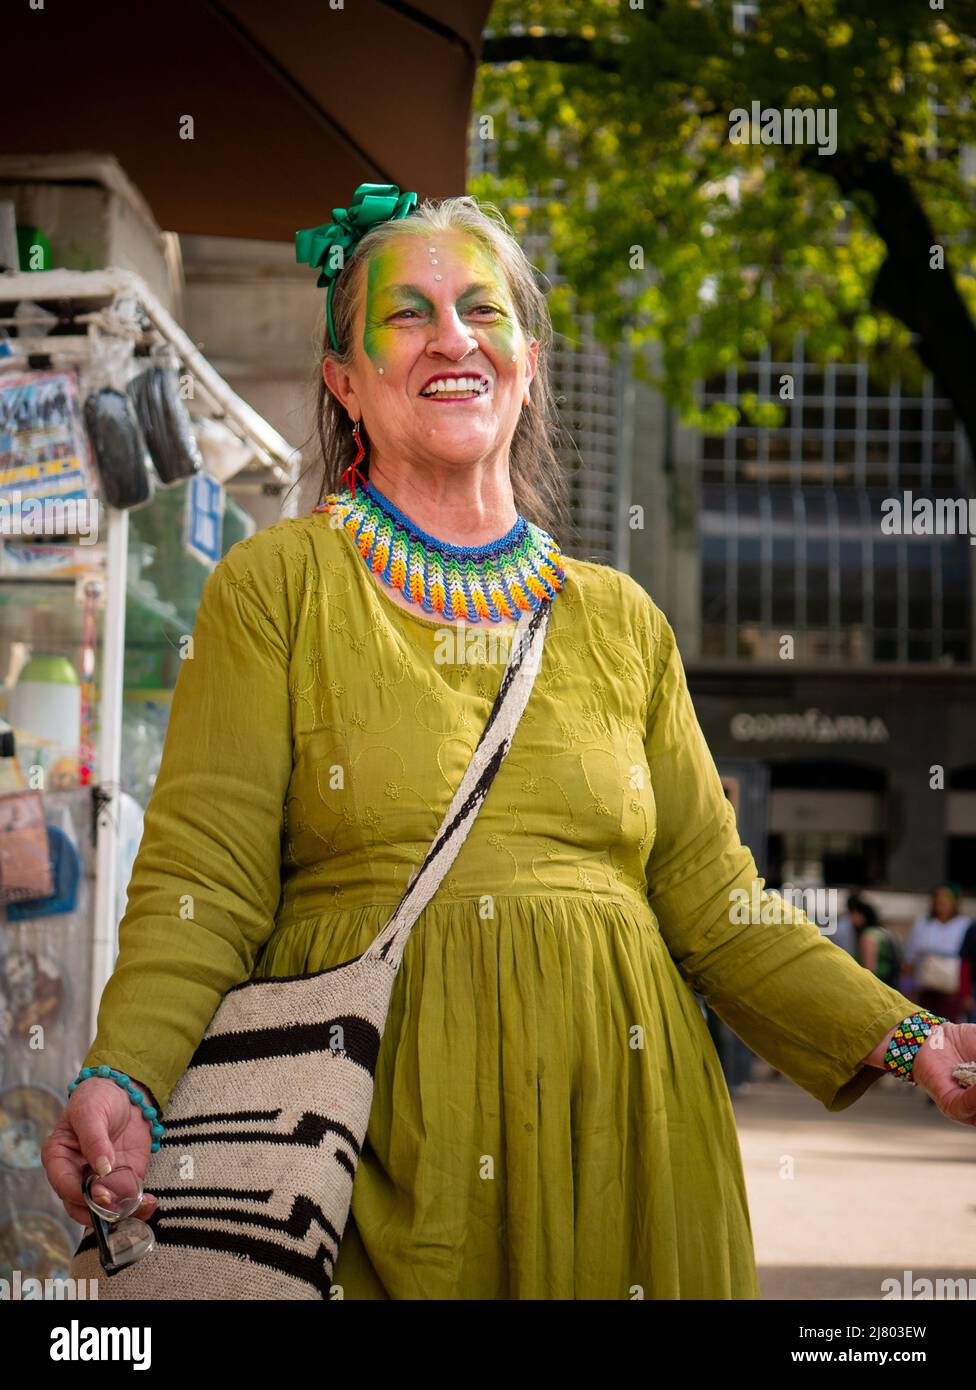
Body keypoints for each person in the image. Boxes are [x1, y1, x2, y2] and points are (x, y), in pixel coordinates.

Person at [40, 186, 976, 1300]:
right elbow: (205, 875)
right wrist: (126, 1074)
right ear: (342, 379)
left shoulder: (622, 619)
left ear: (526, 359)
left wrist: (912, 1038)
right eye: (407, 314)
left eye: (482, 310)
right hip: (377, 1146)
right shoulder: (277, 588)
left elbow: (717, 904)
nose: (452, 337)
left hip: (629, 1141)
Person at [902, 882, 973, 1023]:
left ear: (955, 902)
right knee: (925, 1025)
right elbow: (910, 955)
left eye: (946, 898)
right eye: (938, 898)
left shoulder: (965, 924)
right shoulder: (923, 923)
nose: (941, 902)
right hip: (924, 986)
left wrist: (967, 994)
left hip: (951, 988)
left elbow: (968, 960)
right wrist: (906, 984)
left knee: (948, 1027)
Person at [847, 894, 902, 989]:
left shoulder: (868, 936)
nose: (850, 919)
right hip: (889, 985)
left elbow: (869, 969)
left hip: (877, 987)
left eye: (852, 914)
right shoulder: (881, 932)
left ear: (861, 915)